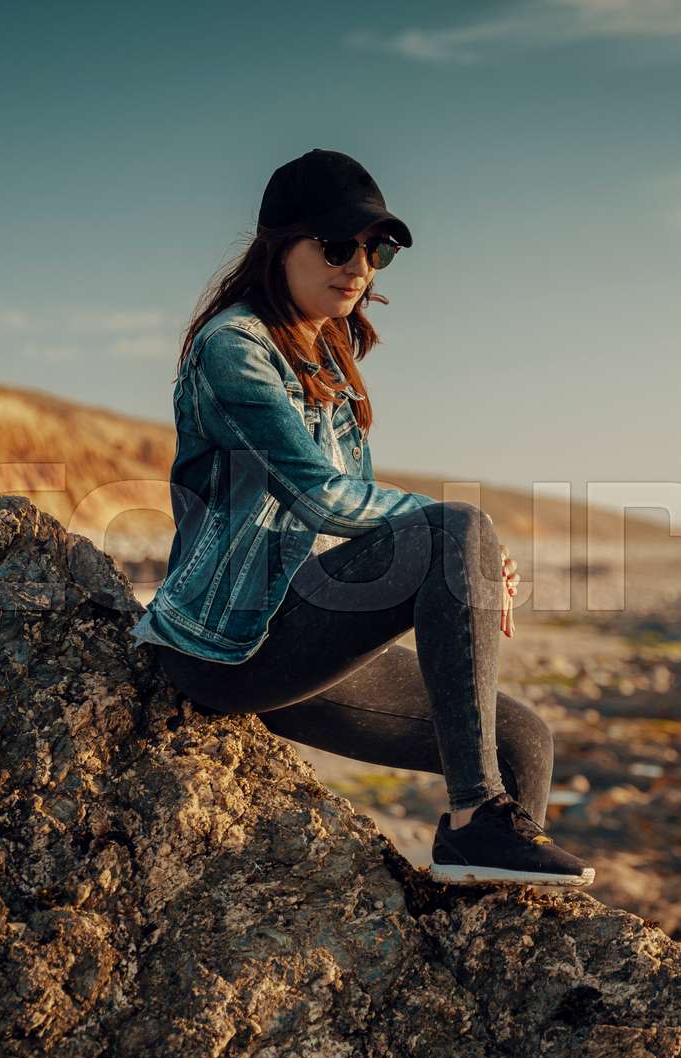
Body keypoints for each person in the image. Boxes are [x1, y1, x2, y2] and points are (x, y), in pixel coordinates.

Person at [129, 149, 593, 887]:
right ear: (280, 246)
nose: (360, 268)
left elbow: (375, 528)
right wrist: (460, 533)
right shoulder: (232, 348)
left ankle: (487, 934)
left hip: (296, 628)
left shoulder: (330, 358)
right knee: (454, 524)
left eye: (375, 251)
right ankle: (474, 816)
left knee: (523, 741)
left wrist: (464, 555)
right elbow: (321, 497)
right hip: (221, 646)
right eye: (339, 246)